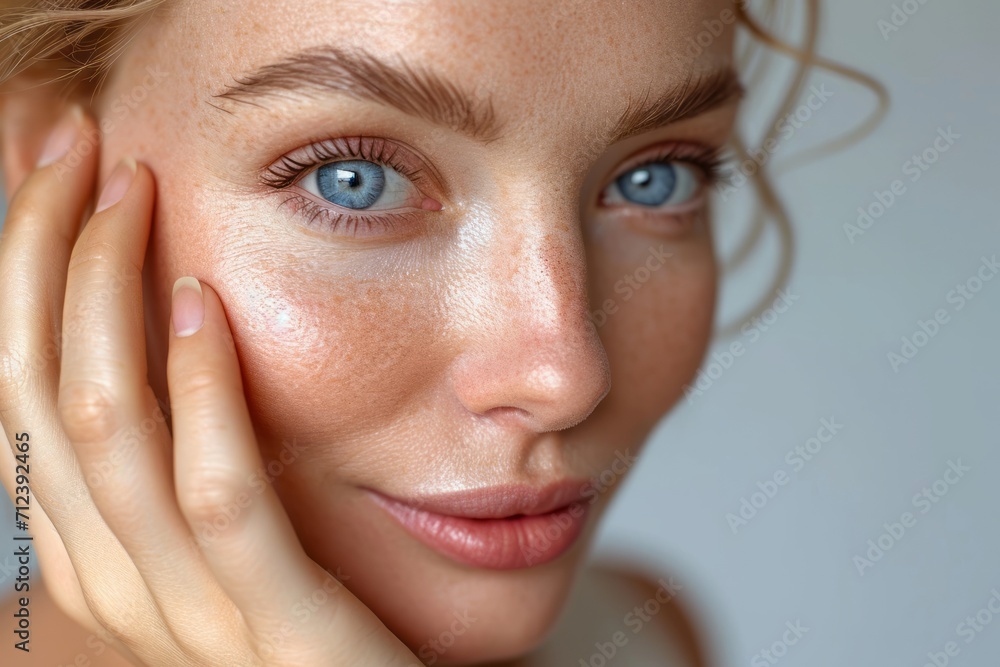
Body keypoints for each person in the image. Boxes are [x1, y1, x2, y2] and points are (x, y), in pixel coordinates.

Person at [0, 0, 854, 664]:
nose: (565, 377)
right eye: (355, 180)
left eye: (655, 177)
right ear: (52, 163)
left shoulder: (646, 634)